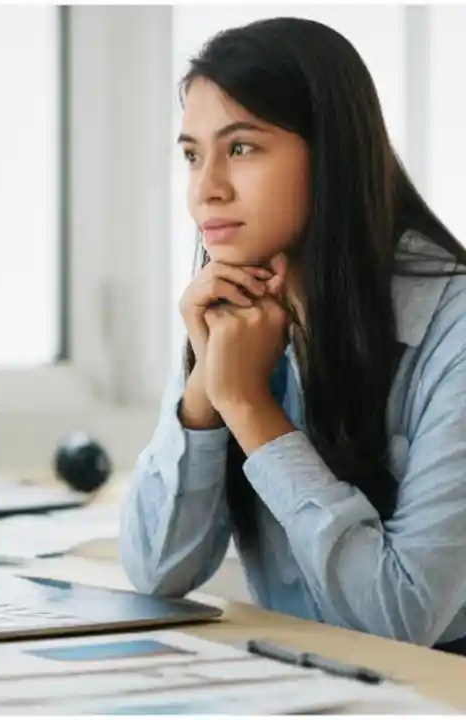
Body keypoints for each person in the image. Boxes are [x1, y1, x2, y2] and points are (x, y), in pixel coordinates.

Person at [119, 17, 466, 653]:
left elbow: (402, 619)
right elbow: (156, 572)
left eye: (241, 148)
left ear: (331, 154)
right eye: (193, 155)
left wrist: (250, 406)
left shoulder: (456, 329)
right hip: (296, 679)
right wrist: (204, 393)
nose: (206, 189)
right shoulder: (235, 311)